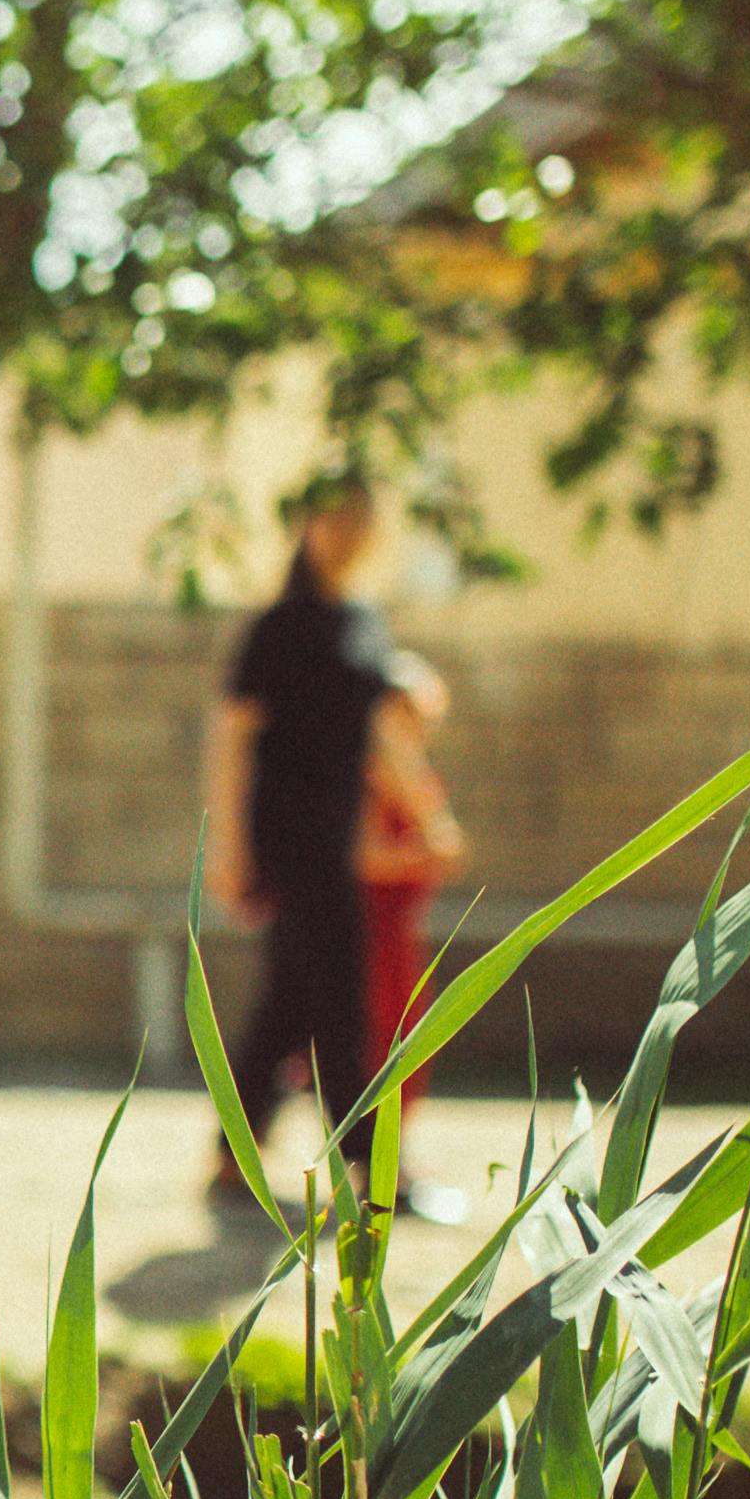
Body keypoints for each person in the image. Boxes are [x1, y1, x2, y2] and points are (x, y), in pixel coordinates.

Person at [201, 476, 406, 1211]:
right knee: (339, 1001)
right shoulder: (276, 627)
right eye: (334, 518)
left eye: (360, 518)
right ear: (307, 526)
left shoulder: (365, 623)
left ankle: (233, 1153)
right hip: (288, 841)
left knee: (290, 1001)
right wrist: (229, 849)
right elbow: (230, 740)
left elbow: (381, 729)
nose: (347, 531)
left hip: (340, 839)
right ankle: (372, 1165)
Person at [356, 648, 471, 1130]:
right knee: (379, 1041)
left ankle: (392, 1150)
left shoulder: (412, 772)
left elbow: (451, 846)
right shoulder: (368, 777)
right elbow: (364, 857)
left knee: (409, 1040)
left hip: (403, 929)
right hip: (370, 929)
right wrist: (424, 856)